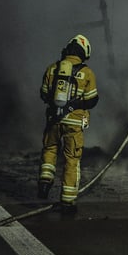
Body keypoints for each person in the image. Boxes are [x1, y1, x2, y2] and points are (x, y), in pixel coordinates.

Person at [38, 34, 98, 214]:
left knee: (50, 149)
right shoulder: (86, 72)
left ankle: (45, 180)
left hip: (53, 120)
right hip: (73, 123)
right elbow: (92, 100)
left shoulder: (52, 69)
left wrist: (56, 104)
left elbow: (43, 94)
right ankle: (67, 202)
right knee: (72, 159)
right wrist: (75, 105)